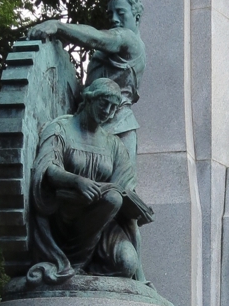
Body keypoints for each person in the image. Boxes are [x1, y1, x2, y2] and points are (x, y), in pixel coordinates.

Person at [27, 78, 148, 285]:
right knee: (112, 198)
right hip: (67, 216)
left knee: (127, 264)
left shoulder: (113, 144)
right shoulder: (61, 128)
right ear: (90, 98)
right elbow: (47, 168)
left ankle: (89, 273)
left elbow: (124, 185)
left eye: (113, 107)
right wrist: (77, 181)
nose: (108, 111)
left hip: (104, 223)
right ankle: (72, 263)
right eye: (104, 103)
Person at [30, 0, 146, 169]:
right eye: (111, 13)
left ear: (136, 17)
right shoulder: (126, 44)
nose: (114, 18)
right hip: (106, 124)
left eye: (121, 13)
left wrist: (59, 26)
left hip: (114, 126)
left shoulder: (128, 39)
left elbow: (98, 38)